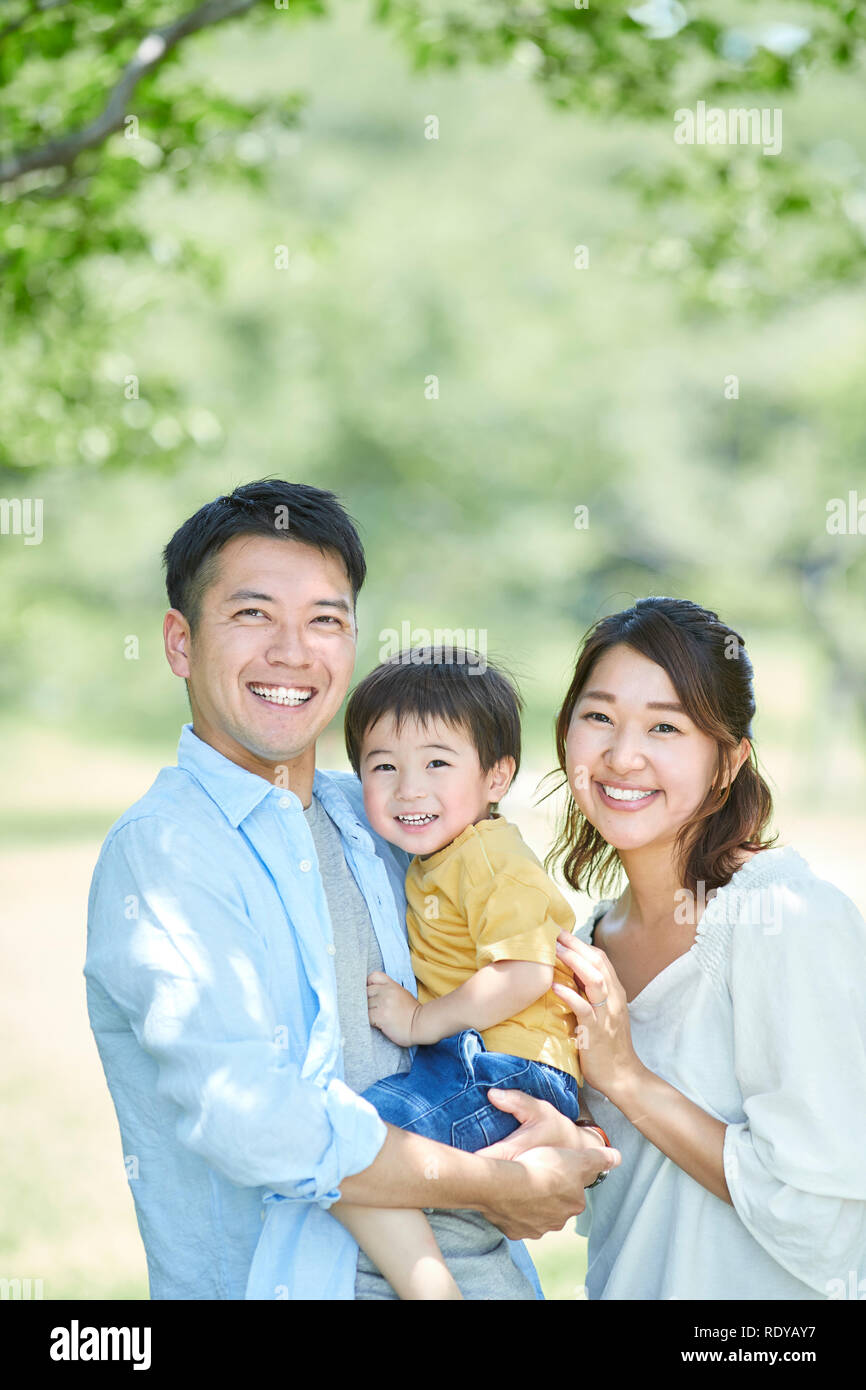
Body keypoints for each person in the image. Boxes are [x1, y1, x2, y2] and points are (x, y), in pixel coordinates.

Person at [84, 479, 616, 1302]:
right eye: (253, 614)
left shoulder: (378, 816)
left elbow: (508, 973)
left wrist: (551, 1128)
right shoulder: (165, 854)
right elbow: (249, 1119)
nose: (293, 652)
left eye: (325, 620)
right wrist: (492, 1184)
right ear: (181, 643)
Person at [536, 596, 866, 1298]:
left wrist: (628, 1079)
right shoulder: (592, 939)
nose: (623, 756)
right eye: (599, 718)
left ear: (727, 761)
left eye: (665, 726)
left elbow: (827, 1221)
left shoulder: (785, 919)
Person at [315, 647, 603, 1299]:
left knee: (354, 1143)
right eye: (381, 766)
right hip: (481, 1060)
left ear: (496, 777)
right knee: (358, 1145)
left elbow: (524, 973)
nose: (408, 788)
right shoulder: (441, 852)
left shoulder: (491, 859)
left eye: (437, 764)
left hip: (510, 1069)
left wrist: (420, 1020)